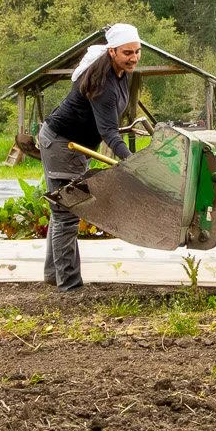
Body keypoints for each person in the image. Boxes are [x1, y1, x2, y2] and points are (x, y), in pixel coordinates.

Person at [38, 24, 142, 294]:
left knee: (61, 212)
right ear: (112, 51)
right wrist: (132, 162)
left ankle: (53, 275)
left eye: (137, 51)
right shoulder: (103, 83)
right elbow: (108, 131)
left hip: (76, 145)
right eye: (127, 52)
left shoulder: (121, 73)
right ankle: (69, 285)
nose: (133, 57)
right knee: (67, 214)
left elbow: (108, 122)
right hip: (62, 145)